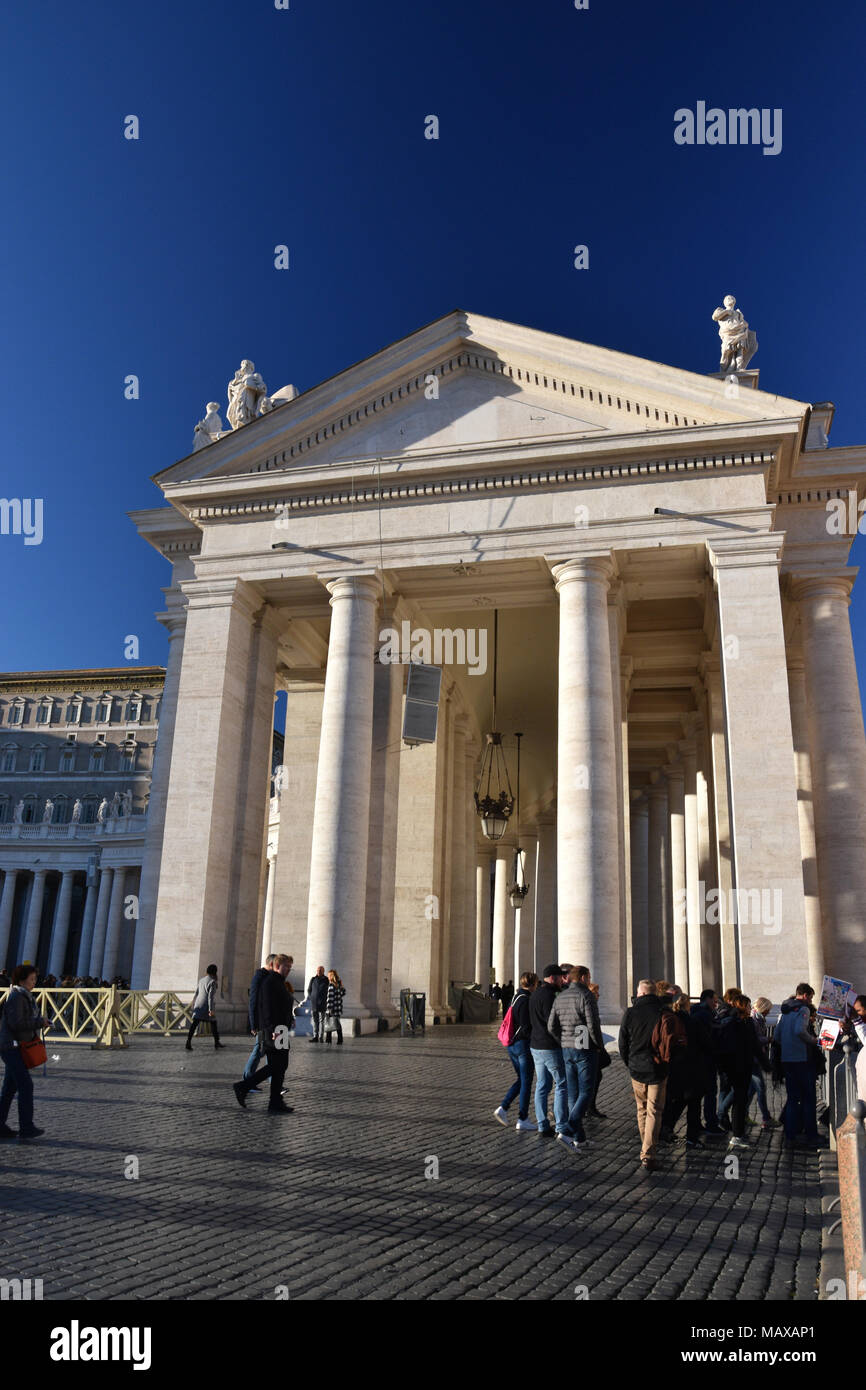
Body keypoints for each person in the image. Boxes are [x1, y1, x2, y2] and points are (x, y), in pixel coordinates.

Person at [549, 966, 604, 1153]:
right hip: (585, 1048)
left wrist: (563, 1040)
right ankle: (570, 1125)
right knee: (586, 1091)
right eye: (589, 976)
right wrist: (598, 1045)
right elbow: (593, 1024)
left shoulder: (560, 996)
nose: (590, 980)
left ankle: (578, 1139)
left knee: (573, 1093)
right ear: (582, 977)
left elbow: (551, 1026)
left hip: (566, 1048)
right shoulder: (586, 996)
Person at [618, 978, 668, 1171]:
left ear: (640, 993)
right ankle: (648, 1154)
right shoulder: (663, 1012)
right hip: (658, 1067)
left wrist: (629, 1063)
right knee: (654, 1110)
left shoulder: (630, 1013)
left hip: (637, 1068)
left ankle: (646, 1147)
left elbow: (623, 1043)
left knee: (641, 1109)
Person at [233, 954, 293, 1113]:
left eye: (290, 967)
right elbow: (265, 1008)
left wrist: (290, 1018)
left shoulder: (279, 982)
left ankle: (275, 1102)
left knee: (281, 1066)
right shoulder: (270, 982)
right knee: (276, 1065)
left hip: (282, 1030)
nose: (288, 970)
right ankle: (244, 1086)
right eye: (286, 966)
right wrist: (271, 1028)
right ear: (277, 965)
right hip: (274, 1031)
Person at [0, 964, 49, 1141]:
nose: (34, 983)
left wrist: (41, 1021)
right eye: (31, 979)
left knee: (9, 1089)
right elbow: (16, 1024)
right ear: (21, 980)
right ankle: (26, 1127)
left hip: (18, 1046)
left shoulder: (25, 996)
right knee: (26, 1085)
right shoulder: (16, 997)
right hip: (11, 1047)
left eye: (35, 979)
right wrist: (39, 1022)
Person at [715, 989, 764, 1151]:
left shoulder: (741, 1022)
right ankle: (736, 1133)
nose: (751, 1008)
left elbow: (753, 1045)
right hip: (738, 1067)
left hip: (738, 1066)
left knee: (739, 1100)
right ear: (743, 1006)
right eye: (749, 1005)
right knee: (739, 1101)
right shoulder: (739, 1023)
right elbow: (751, 1045)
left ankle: (738, 1132)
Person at [774, 983, 821, 1147]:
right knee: (808, 1098)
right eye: (811, 997)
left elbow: (777, 1035)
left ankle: (790, 1135)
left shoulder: (785, 1009)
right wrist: (813, 1041)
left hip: (787, 1059)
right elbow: (799, 1030)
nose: (810, 1001)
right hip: (801, 1059)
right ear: (806, 995)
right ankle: (811, 1135)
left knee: (793, 1099)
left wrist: (787, 1046)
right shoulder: (803, 1009)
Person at [493, 971, 538, 1131]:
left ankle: (503, 1108)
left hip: (511, 1044)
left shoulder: (515, 997)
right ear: (533, 984)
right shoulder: (526, 1000)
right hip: (522, 1045)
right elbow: (525, 1027)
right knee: (526, 1081)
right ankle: (522, 1117)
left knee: (521, 1079)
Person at [661, 994, 707, 1147]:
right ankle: (691, 1138)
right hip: (693, 1066)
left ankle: (666, 1128)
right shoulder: (692, 1022)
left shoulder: (669, 1020)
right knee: (693, 1104)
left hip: (675, 1067)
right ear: (688, 1006)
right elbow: (705, 1043)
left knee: (677, 1101)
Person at [528, 964, 568, 1138]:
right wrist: (562, 1040)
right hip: (550, 1046)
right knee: (561, 1084)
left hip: (535, 1045)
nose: (562, 980)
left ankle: (543, 1125)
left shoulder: (535, 993)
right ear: (553, 977)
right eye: (560, 977)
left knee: (542, 1086)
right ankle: (560, 1126)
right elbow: (553, 1022)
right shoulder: (551, 996)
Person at [690, 988, 724, 1135]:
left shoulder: (695, 1012)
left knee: (697, 1095)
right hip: (706, 1059)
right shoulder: (705, 1015)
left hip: (697, 1059)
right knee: (710, 1092)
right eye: (714, 1000)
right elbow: (710, 1038)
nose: (716, 1004)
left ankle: (696, 1124)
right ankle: (711, 1123)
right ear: (708, 999)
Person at [242, 954, 276, 1085]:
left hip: (270, 1022)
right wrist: (253, 1024)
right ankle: (248, 1080)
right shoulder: (259, 977)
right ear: (272, 964)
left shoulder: (269, 977)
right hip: (262, 1022)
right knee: (259, 1050)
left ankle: (274, 1082)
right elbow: (253, 1001)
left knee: (270, 1052)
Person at [749, 997, 777, 1129]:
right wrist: (768, 1039)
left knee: (752, 1089)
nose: (768, 1012)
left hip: (756, 1058)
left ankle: (742, 1114)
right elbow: (755, 1039)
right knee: (760, 1088)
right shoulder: (754, 1020)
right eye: (768, 1010)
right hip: (754, 1058)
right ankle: (766, 1118)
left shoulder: (758, 1018)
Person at [186, 964, 225, 1051]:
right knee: (213, 1023)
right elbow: (210, 997)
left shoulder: (201, 980)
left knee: (194, 1024)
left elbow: (196, 993)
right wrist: (211, 1010)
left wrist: (193, 1003)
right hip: (206, 1006)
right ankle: (216, 1042)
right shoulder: (212, 982)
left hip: (198, 1004)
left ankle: (188, 1041)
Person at [306, 965, 329, 1043]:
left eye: (321, 970)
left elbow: (329, 990)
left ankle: (321, 1037)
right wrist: (311, 997)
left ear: (323, 971)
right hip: (314, 1003)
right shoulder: (313, 979)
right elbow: (309, 989)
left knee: (322, 1021)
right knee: (315, 1021)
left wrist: (326, 999)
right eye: (318, 970)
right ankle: (315, 1036)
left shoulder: (326, 980)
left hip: (322, 1003)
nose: (319, 971)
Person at [324, 969, 345, 1045]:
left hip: (332, 1009)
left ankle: (328, 1040)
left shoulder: (331, 985)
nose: (328, 977)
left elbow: (330, 998)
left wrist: (329, 1009)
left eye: (328, 975)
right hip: (338, 1008)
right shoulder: (338, 985)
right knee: (336, 1024)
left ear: (331, 976)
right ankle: (339, 1039)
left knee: (330, 1023)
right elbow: (343, 993)